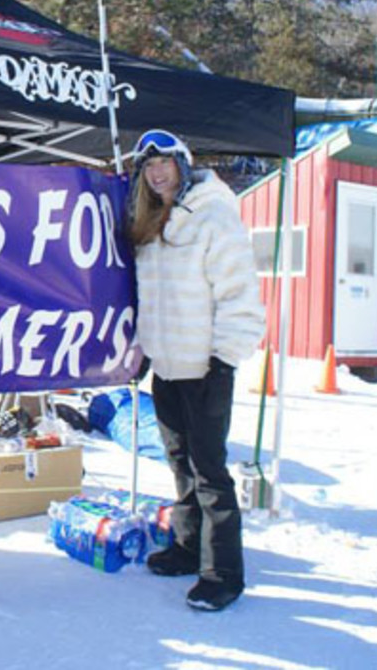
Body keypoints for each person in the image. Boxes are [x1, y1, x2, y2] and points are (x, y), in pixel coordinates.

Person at [125, 128, 263, 612]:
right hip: (168, 365)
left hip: (205, 365)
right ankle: (188, 547)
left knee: (209, 471)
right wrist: (145, 353)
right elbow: (152, 299)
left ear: (183, 163)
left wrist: (224, 360)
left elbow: (239, 292)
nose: (157, 172)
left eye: (164, 162)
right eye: (148, 166)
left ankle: (222, 573)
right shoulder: (152, 222)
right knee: (179, 462)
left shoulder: (213, 215)